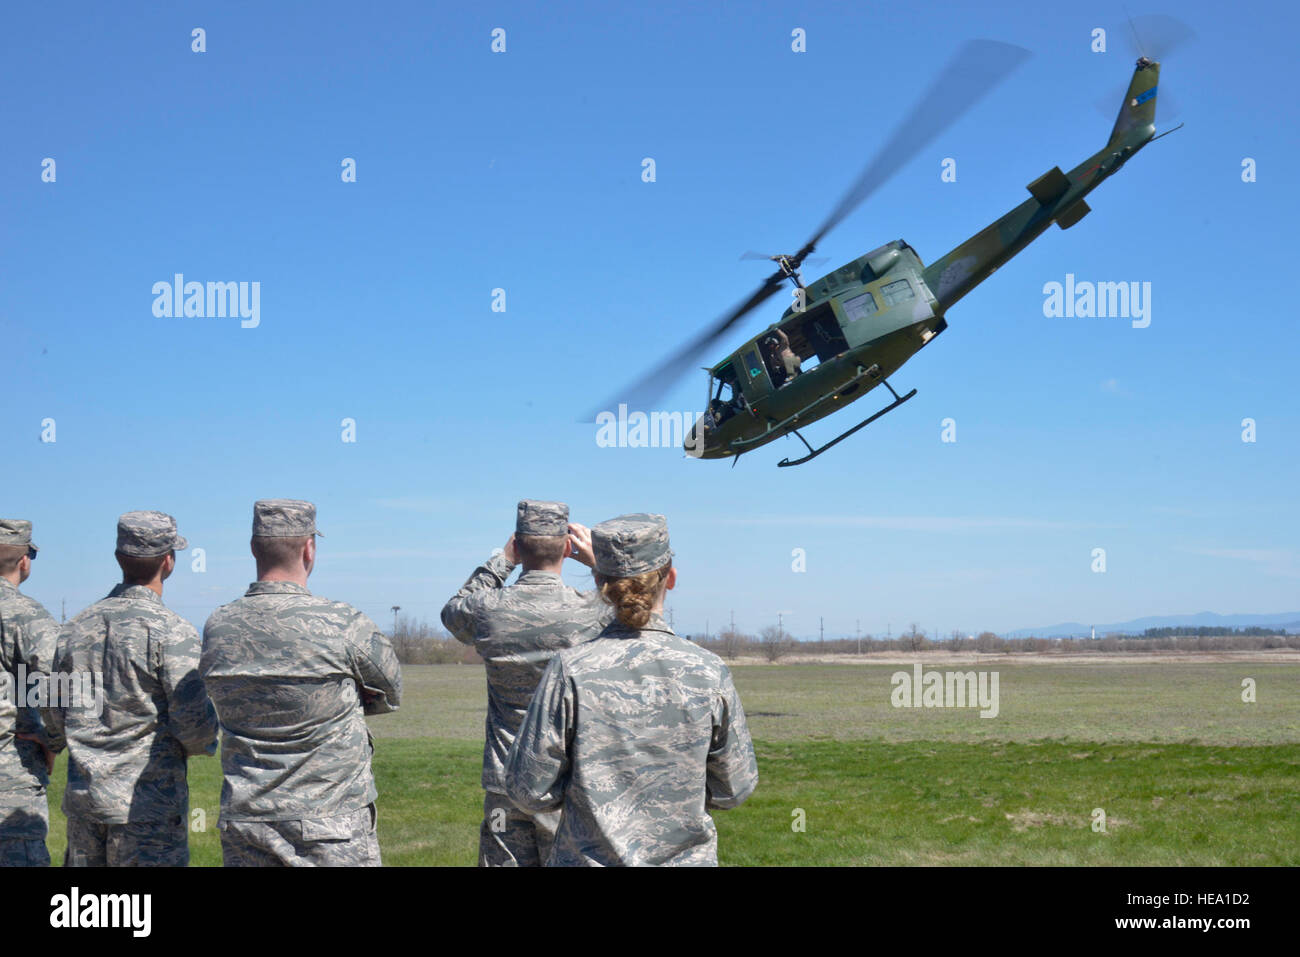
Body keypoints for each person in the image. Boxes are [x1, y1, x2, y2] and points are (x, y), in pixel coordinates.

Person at [504, 513, 758, 866]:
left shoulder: (571, 670)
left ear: (598, 581)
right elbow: (735, 789)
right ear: (670, 579)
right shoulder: (707, 671)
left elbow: (527, 790)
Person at [200, 499, 402, 867]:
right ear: (309, 549)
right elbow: (390, 688)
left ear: (253, 549)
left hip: (248, 821)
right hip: (331, 821)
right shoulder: (341, 622)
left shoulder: (219, 626)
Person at [441, 499, 608, 867]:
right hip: (566, 783)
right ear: (568, 547)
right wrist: (599, 563)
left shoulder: (488, 608)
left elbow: (453, 612)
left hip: (506, 784)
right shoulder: (590, 610)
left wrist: (502, 561)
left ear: (518, 544)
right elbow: (632, 611)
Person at [56, 511, 218, 866]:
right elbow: (194, 726)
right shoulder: (172, 631)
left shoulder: (74, 629)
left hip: (86, 803)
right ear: (168, 561)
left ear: (118, 558)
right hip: (147, 808)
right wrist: (205, 743)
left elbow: (54, 714)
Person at [0, 519, 62, 866]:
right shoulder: (25, 615)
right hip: (9, 779)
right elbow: (57, 686)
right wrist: (51, 740)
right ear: (25, 561)